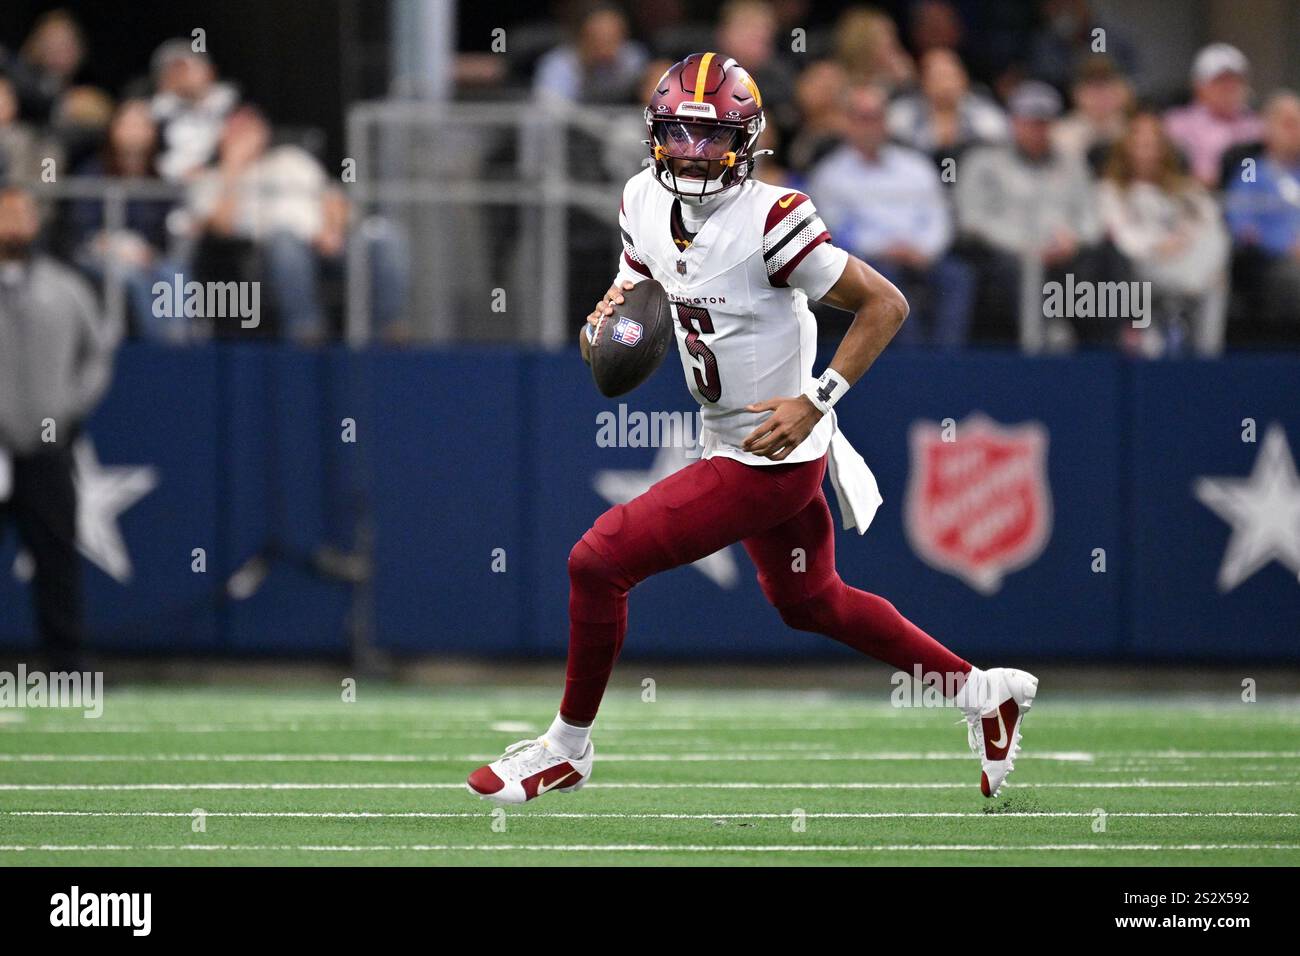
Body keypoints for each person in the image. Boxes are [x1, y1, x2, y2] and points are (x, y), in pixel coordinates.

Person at [466, 53, 1038, 805]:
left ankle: (566, 749)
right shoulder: (641, 197)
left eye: (713, 137)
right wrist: (605, 328)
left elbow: (886, 305)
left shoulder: (772, 219)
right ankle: (982, 692)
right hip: (728, 433)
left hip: (770, 453)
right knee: (813, 601)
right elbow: (635, 294)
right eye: (680, 134)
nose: (694, 152)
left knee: (596, 562)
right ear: (655, 135)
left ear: (748, 141)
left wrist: (818, 396)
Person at [0, 188, 122, 672]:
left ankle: (66, 660)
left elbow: (96, 356)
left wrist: (67, 409)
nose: (15, 222)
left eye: (22, 211)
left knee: (55, 554)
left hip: (46, 444)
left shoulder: (64, 286)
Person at [187, 106, 407, 343]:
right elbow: (222, 227)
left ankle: (385, 330)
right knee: (285, 240)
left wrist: (331, 230)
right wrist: (233, 166)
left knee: (386, 236)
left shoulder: (291, 158)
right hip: (263, 256)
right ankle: (305, 331)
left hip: (325, 243)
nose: (245, 134)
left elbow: (333, 199)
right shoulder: (210, 178)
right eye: (236, 129)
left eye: (251, 127)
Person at [809, 83, 976, 346]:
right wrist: (885, 249)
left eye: (876, 117)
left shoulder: (916, 166)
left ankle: (947, 362)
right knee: (887, 282)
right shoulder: (830, 175)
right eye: (862, 118)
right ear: (849, 123)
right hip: (868, 260)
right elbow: (836, 230)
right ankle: (908, 365)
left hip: (921, 256)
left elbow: (939, 216)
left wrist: (924, 250)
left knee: (958, 277)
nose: (870, 126)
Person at [955, 80, 1104, 346]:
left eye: (1044, 123)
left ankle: (1107, 351)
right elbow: (972, 220)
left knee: (1105, 259)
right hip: (1005, 253)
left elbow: (1091, 217)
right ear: (1014, 121)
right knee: (1017, 270)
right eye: (1031, 122)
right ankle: (1036, 345)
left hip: (1064, 253)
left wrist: (1074, 239)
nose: (1038, 131)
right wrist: (1025, 246)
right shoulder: (983, 162)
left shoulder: (1072, 164)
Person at [1100, 113, 1230, 356]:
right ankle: (1156, 335)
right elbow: (1122, 237)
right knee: (1134, 262)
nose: (1148, 152)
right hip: (1145, 264)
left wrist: (1185, 239)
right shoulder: (1111, 190)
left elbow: (1211, 222)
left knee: (1216, 265)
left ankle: (1208, 356)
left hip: (1188, 261)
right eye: (1141, 145)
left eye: (1154, 145)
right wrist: (1159, 246)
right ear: (1126, 149)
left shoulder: (1186, 189)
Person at [1225, 90, 1300, 331]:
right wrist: (1284, 247)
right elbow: (1243, 228)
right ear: (1268, 129)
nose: (1296, 131)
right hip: (1275, 265)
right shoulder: (1251, 171)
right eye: (1289, 124)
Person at [1164, 43, 1264, 189]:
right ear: (1198, 86)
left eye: (1235, 81)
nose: (1229, 88)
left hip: (1248, 200)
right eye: (1220, 81)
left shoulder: (1257, 127)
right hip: (1198, 199)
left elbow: (1257, 176)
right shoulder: (1176, 124)